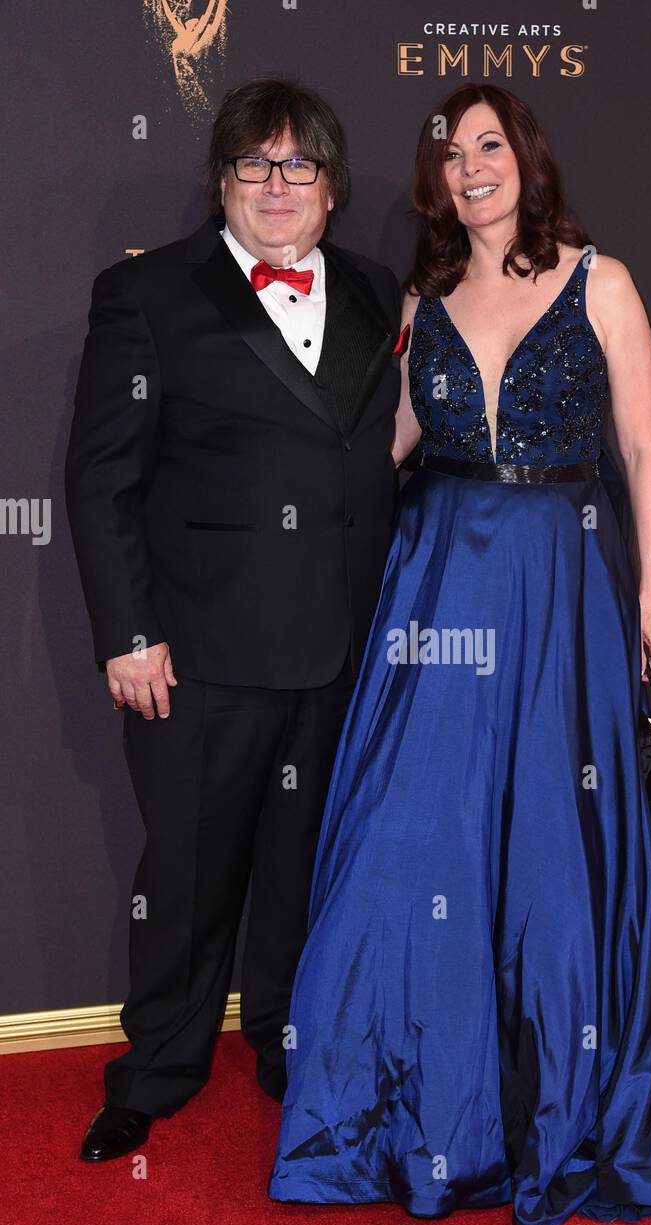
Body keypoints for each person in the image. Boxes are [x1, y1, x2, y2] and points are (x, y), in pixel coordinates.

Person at [267, 83, 651, 1225]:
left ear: (526, 157)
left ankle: (563, 1098)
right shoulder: (424, 294)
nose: (469, 166)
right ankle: (405, 1109)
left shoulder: (600, 281)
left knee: (558, 846)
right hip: (438, 582)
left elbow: (645, 453)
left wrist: (645, 597)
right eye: (449, 154)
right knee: (409, 839)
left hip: (558, 582)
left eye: (488, 144)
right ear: (434, 179)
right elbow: (385, 444)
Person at [65, 76, 402, 1161]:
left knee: (304, 868)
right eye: (254, 164)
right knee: (188, 872)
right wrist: (127, 635)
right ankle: (156, 1066)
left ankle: (284, 1040)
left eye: (297, 164)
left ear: (331, 186)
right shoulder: (151, 294)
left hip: (339, 647)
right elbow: (101, 481)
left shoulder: (369, 289)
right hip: (198, 653)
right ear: (222, 179)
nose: (275, 185)